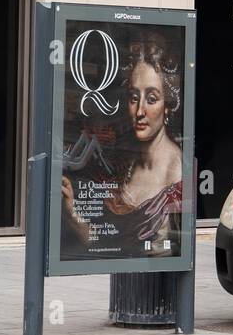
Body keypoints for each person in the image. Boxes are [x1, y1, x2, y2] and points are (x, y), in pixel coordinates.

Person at [62, 32, 184, 255]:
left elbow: (168, 251)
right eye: (134, 98)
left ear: (167, 106)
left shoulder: (176, 175)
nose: (139, 112)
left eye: (152, 99)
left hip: (154, 283)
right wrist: (71, 209)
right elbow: (103, 243)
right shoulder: (124, 161)